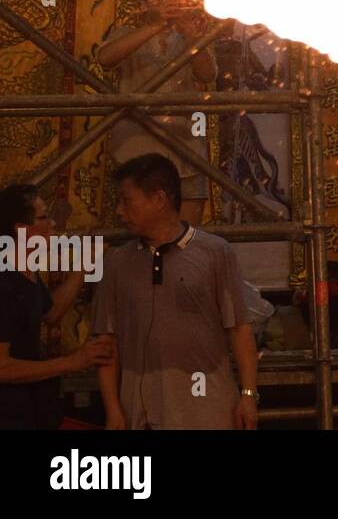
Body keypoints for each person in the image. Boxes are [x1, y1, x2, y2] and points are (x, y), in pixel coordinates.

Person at [92, 154, 259, 429]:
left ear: (158, 199)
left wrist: (249, 396)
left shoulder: (214, 252)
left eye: (127, 200)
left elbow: (239, 329)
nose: (119, 211)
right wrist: (113, 410)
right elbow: (106, 345)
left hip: (208, 409)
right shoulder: (117, 263)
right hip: (143, 413)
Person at [97, 0, 216, 225]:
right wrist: (155, 26)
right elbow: (105, 59)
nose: (168, 2)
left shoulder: (189, 37)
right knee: (138, 234)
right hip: (137, 150)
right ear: (142, 4)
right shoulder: (127, 33)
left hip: (185, 147)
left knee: (186, 237)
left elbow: (208, 74)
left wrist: (190, 34)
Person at [0, 184, 114, 429]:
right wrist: (71, 362)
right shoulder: (4, 282)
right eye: (43, 218)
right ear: (21, 230)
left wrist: (84, 265)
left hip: (29, 409)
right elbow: (2, 367)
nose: (52, 224)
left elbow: (51, 314)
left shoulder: (24, 272)